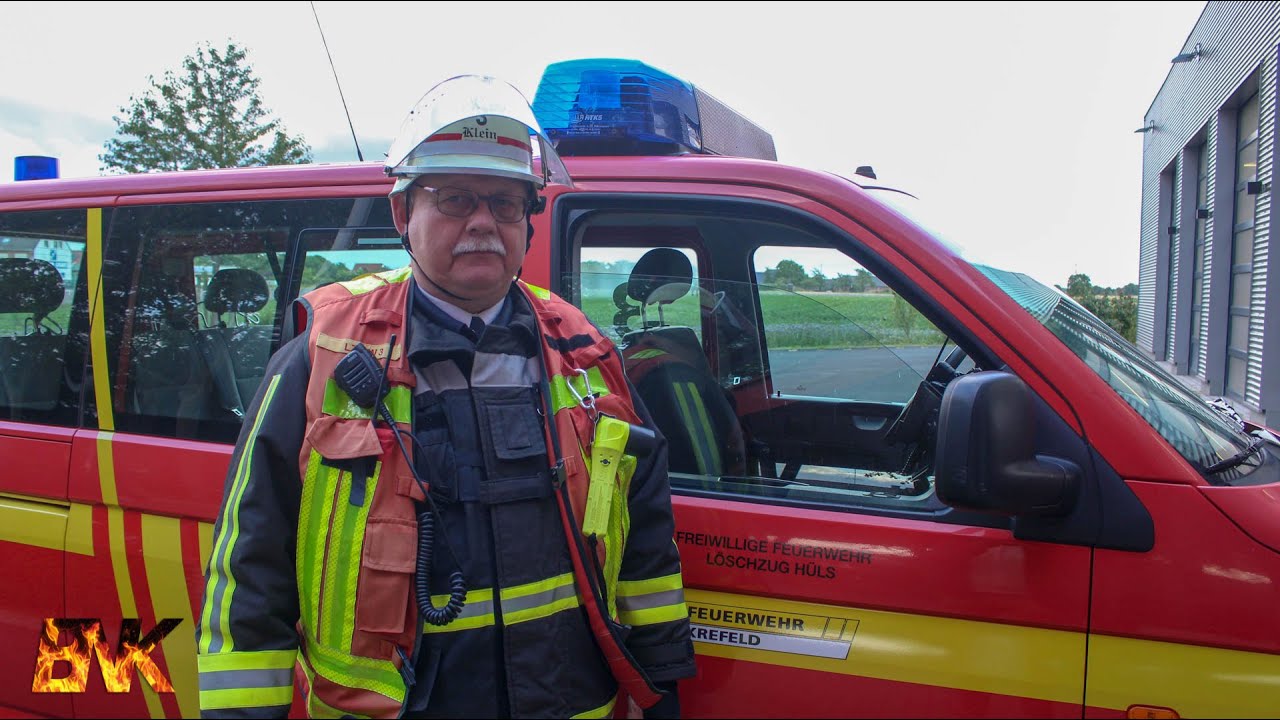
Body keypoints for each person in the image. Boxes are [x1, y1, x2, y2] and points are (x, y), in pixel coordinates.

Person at [195, 75, 695, 719]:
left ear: (528, 223)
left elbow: (645, 538)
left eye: (506, 203)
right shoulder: (323, 354)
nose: (484, 222)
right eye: (456, 199)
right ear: (404, 214)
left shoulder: (584, 352)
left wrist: (661, 683)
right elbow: (250, 563)